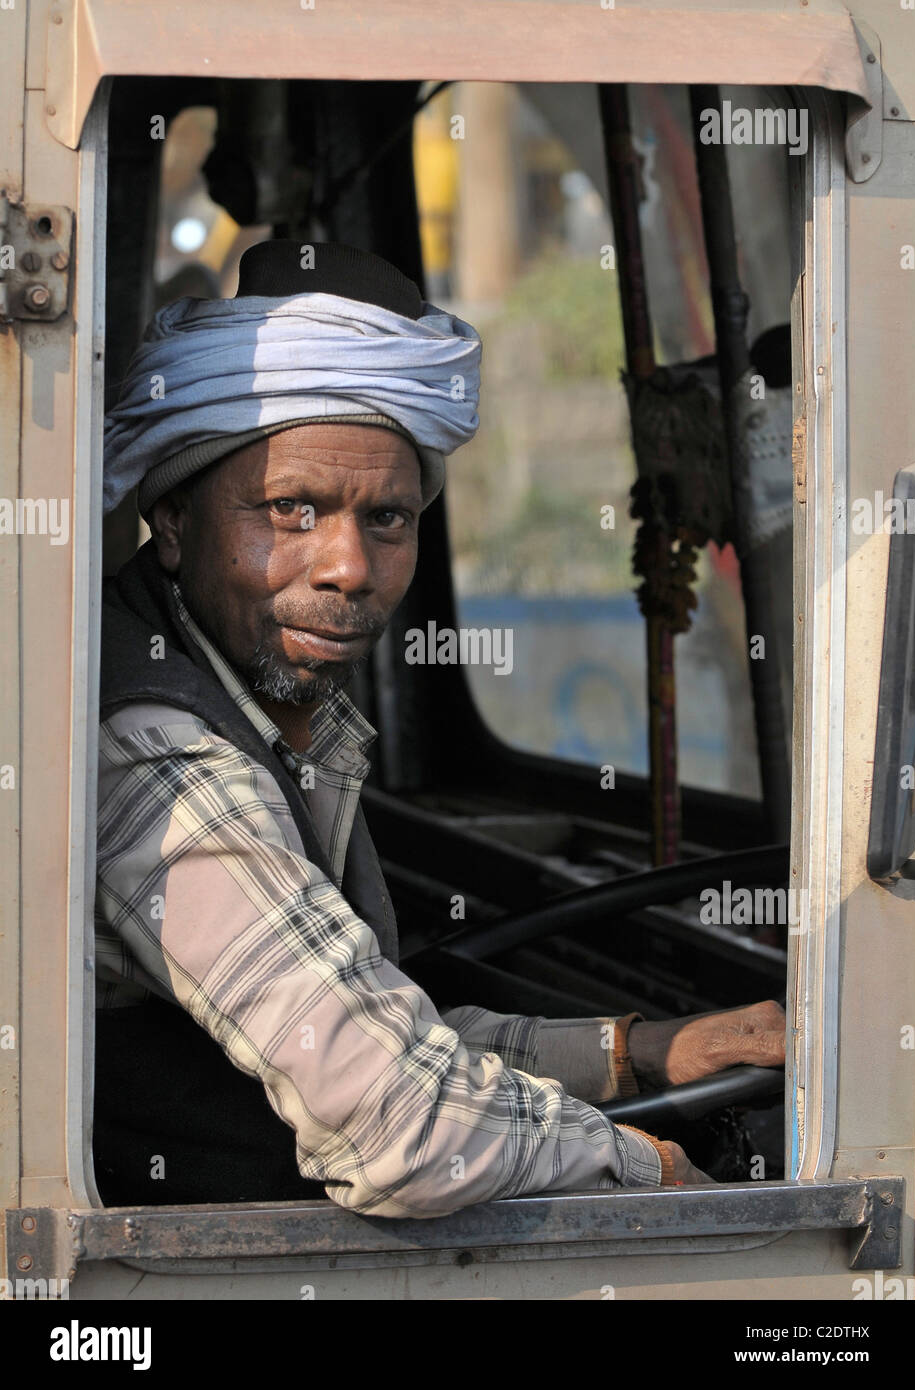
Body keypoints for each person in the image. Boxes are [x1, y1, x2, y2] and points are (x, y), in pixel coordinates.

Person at [94, 239, 785, 1216]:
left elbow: (377, 1030)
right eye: (292, 510)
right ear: (172, 518)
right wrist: (655, 1174)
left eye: (387, 518)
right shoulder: (158, 750)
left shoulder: (274, 708)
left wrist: (636, 1050)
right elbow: (404, 1123)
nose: (347, 567)